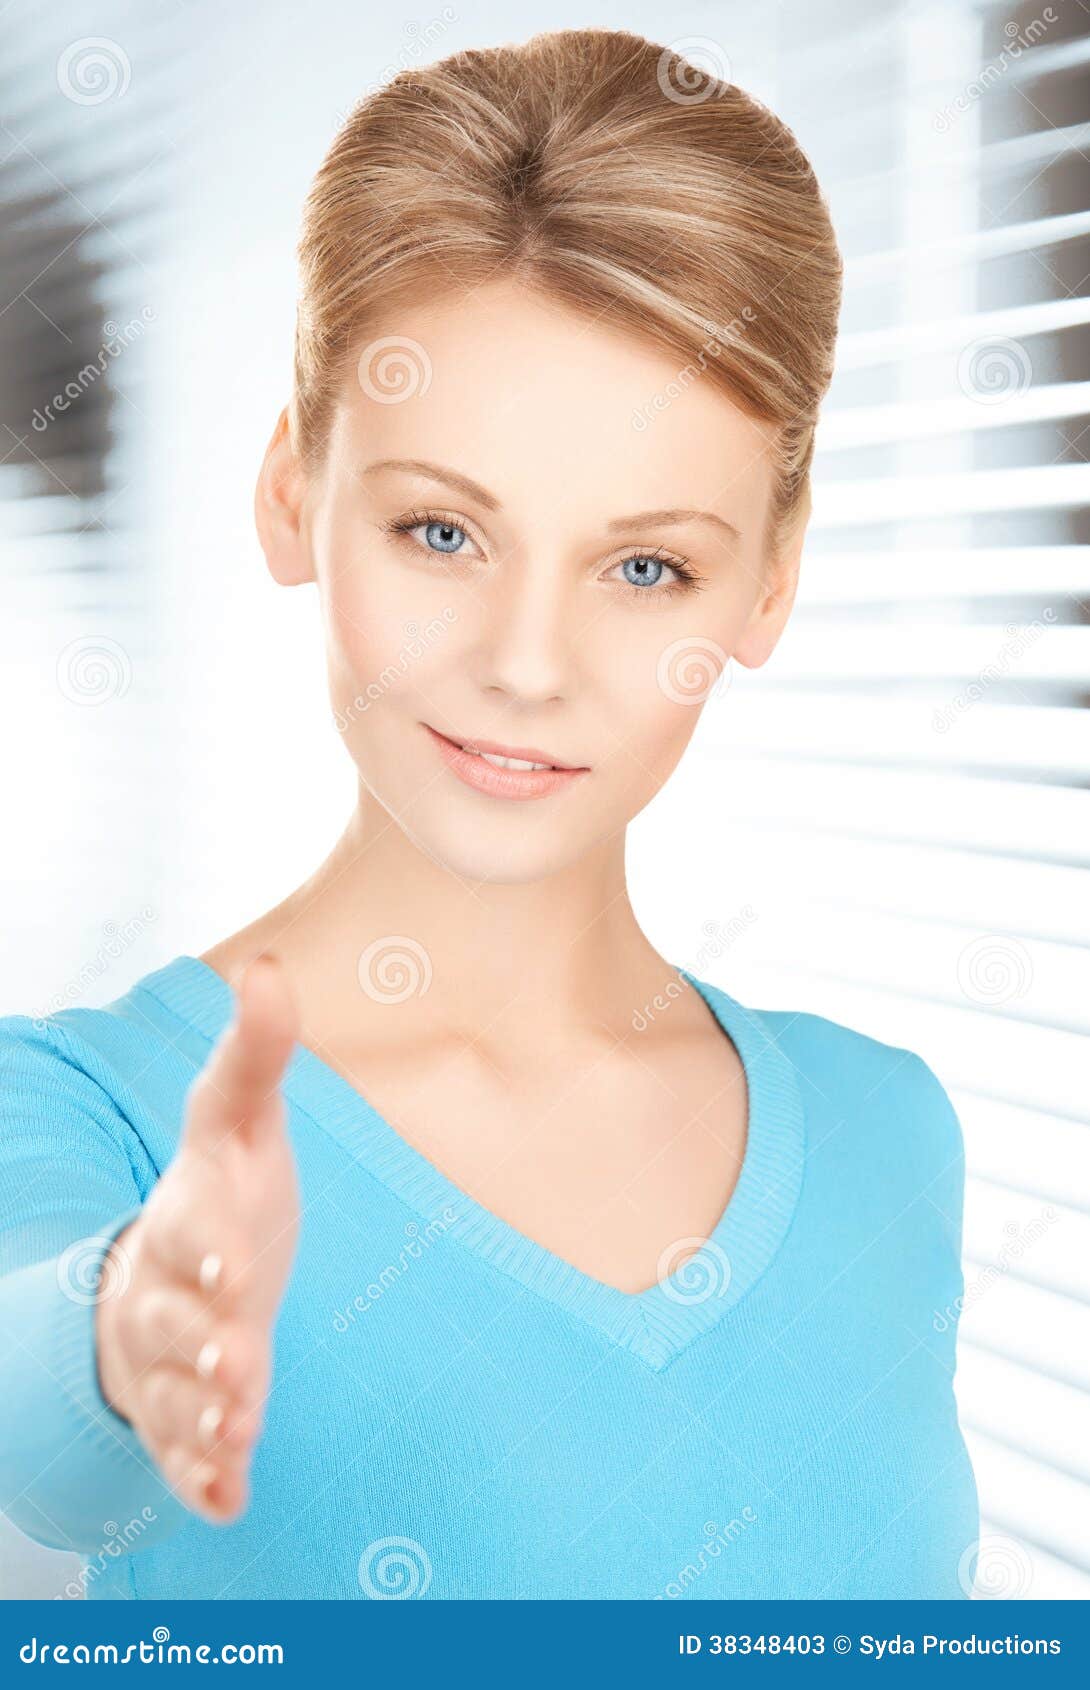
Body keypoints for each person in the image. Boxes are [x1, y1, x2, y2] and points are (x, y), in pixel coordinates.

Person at [0, 27, 978, 1600]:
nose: (525, 664)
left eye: (644, 564)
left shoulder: (888, 1132)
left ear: (770, 579)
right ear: (289, 488)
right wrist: (132, 1324)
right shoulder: (90, 1111)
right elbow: (44, 1438)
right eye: (442, 529)